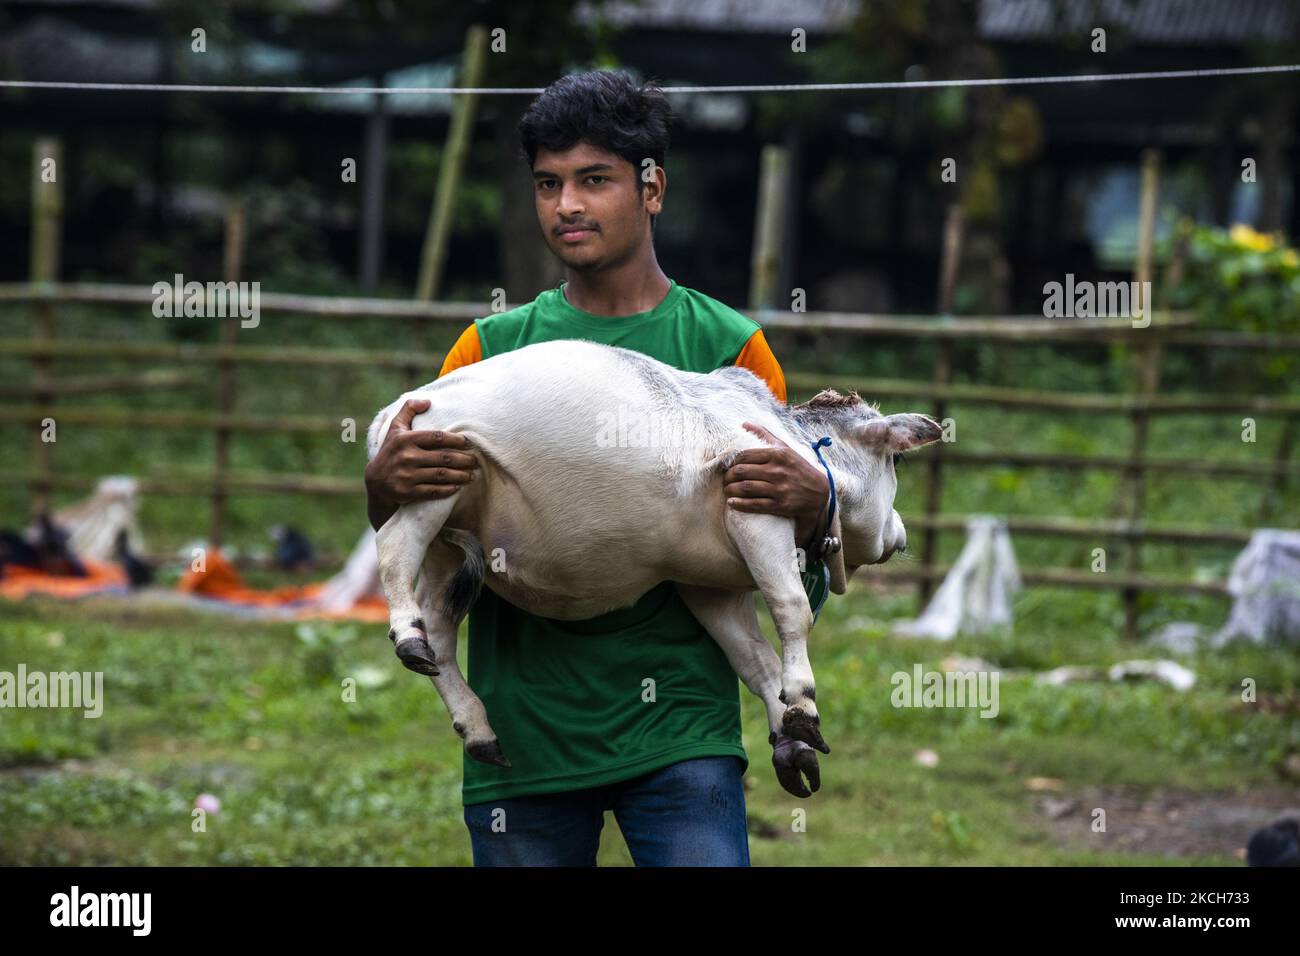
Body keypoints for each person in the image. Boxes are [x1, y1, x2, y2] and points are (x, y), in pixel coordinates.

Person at [364, 70, 832, 866]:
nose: (566, 206)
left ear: (653, 188)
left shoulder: (732, 355)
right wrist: (382, 487)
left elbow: (786, 573)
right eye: (548, 184)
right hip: (524, 731)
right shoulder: (488, 354)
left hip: (681, 728)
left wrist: (816, 508)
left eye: (593, 181)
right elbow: (428, 535)